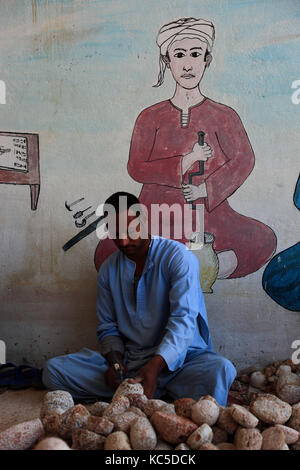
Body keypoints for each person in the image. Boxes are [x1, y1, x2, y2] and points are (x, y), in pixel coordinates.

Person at [94, 17, 277, 280]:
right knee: (106, 253)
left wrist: (206, 188)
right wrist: (186, 160)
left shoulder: (224, 115)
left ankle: (198, 265)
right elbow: (135, 167)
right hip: (156, 213)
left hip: (208, 213)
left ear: (207, 60)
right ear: (168, 62)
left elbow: (243, 160)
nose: (188, 64)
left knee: (262, 240)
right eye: (179, 55)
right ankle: (195, 266)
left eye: (195, 54)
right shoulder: (150, 117)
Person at [43, 192, 236, 406]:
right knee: (53, 371)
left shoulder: (178, 258)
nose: (124, 241)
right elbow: (108, 328)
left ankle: (146, 390)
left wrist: (155, 366)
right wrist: (116, 365)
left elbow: (183, 321)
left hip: (180, 363)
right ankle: (139, 390)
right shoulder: (108, 270)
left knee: (221, 370)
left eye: (130, 230)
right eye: (115, 233)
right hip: (132, 363)